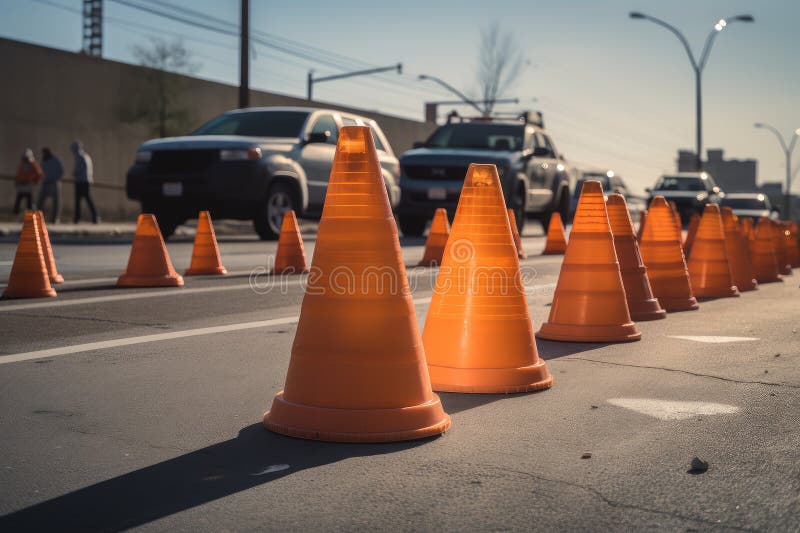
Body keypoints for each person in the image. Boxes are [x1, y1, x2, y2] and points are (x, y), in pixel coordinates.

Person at [71, 140, 99, 224]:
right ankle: (94, 216)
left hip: (81, 181)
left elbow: (79, 170)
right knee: (85, 199)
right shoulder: (85, 156)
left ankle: (79, 218)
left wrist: (75, 173)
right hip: (84, 181)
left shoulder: (80, 157)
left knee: (80, 200)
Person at [38, 147, 64, 223]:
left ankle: (55, 219)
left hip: (54, 183)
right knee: (40, 201)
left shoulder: (56, 161)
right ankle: (40, 218)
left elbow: (61, 171)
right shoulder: (44, 161)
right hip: (46, 182)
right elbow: (41, 171)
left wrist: (55, 178)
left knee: (56, 202)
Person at [14, 148, 43, 215]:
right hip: (21, 184)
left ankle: (30, 213)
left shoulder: (33, 164)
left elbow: (39, 174)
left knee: (29, 199)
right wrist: (17, 181)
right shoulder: (22, 163)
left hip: (28, 184)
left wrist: (35, 181)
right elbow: (19, 174)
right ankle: (16, 213)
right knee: (19, 198)